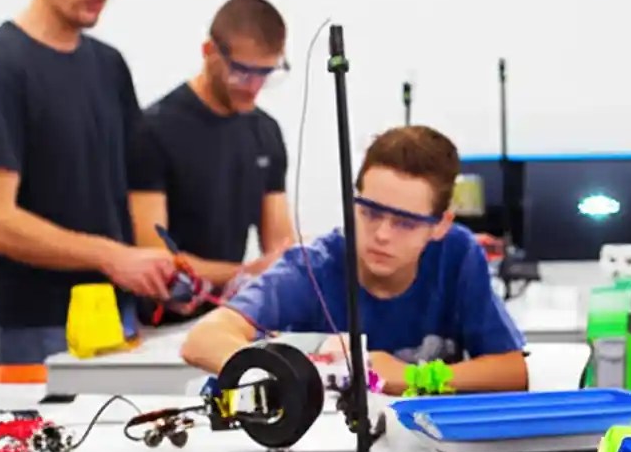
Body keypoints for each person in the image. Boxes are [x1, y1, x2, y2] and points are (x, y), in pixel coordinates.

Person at [0, 0, 175, 365]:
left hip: (117, 315)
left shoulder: (109, 66)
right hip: (40, 327)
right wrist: (113, 256)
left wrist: (156, 269)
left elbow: (138, 182)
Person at [180, 125, 529, 395]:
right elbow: (202, 340)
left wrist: (413, 376)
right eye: (371, 213)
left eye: (405, 222)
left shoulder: (458, 256)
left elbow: (512, 370)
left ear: (440, 225)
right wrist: (305, 373)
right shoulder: (315, 266)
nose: (382, 234)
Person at [127, 0, 294, 325]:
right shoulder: (152, 130)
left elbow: (279, 248)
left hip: (228, 319)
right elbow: (156, 259)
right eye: (242, 72)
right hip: (162, 323)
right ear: (209, 53)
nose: (254, 87)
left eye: (266, 73)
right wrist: (243, 273)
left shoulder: (265, 132)